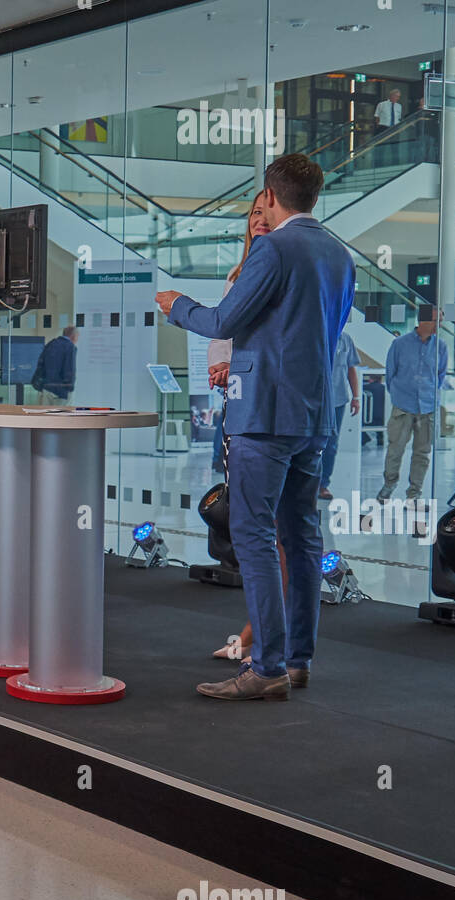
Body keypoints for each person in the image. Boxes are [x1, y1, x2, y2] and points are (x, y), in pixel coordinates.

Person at [156, 152, 355, 702]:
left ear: (269, 196)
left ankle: (265, 668)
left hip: (264, 413)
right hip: (313, 416)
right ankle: (297, 661)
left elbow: (223, 320)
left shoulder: (273, 247)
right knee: (302, 537)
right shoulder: (339, 255)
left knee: (253, 534)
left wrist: (178, 306)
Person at [206, 192, 285, 660]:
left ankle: (263, 638)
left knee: (270, 530)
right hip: (241, 409)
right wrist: (221, 367)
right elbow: (224, 333)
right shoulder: (241, 274)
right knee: (260, 528)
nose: (259, 219)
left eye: (265, 211)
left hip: (269, 415)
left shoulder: (282, 268)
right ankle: (264, 632)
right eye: (253, 213)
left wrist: (178, 306)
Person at [378, 311, 449, 502]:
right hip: (403, 405)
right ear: (423, 320)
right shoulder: (399, 344)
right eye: (436, 321)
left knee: (423, 452)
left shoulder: (441, 347)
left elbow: (440, 375)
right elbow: (390, 373)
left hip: (427, 406)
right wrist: (399, 395)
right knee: (395, 449)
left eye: (441, 321)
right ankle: (389, 485)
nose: (439, 325)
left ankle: (414, 493)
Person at [318, 330, 361, 499]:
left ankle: (323, 484)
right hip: (312, 399)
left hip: (337, 400)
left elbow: (351, 369)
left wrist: (356, 397)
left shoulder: (345, 339)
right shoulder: (312, 331)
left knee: (331, 445)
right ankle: (304, 484)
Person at [32, 326, 79, 404]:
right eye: (77, 336)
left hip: (47, 388)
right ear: (73, 336)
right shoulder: (70, 347)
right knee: (61, 415)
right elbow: (70, 369)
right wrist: (70, 387)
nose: (77, 339)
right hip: (61, 391)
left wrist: (41, 385)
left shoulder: (50, 344)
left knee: (46, 415)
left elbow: (40, 365)